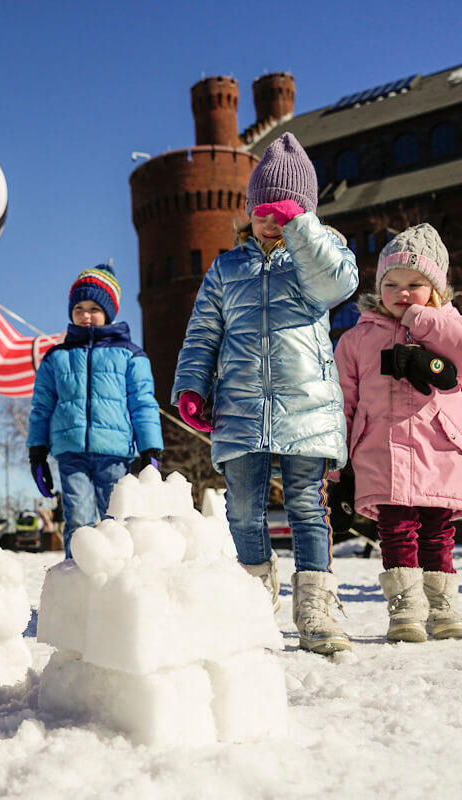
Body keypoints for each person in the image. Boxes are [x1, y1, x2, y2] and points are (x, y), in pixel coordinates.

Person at [172, 132, 358, 655]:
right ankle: (253, 597)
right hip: (240, 403)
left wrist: (302, 227)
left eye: (284, 210)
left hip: (307, 407)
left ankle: (316, 606)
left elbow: (337, 286)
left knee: (306, 505)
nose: (271, 219)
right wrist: (191, 384)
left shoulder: (321, 257)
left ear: (304, 214)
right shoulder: (228, 268)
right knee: (243, 507)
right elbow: (202, 332)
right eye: (263, 210)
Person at [333, 223, 462, 642]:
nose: (402, 292)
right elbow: (343, 401)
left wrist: (424, 320)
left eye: (415, 284)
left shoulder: (455, 325)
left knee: (438, 532)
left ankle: (442, 606)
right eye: (392, 283)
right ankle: (405, 607)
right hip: (380, 452)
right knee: (396, 531)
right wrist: (336, 464)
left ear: (436, 287)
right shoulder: (358, 339)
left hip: (440, 450)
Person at [27, 265, 164, 558]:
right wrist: (37, 452)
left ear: (108, 311)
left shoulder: (130, 355)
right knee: (77, 520)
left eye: (93, 307)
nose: (85, 314)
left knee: (115, 519)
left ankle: (117, 583)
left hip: (114, 452)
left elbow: (143, 403)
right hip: (70, 451)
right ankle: (75, 585)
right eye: (78, 307)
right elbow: (41, 407)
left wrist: (150, 449)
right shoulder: (57, 357)